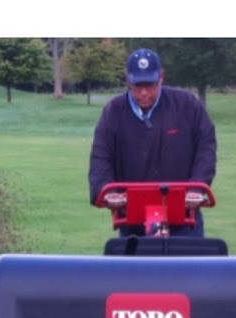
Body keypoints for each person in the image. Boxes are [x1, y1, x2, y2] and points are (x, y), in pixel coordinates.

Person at [87, 48, 217, 235]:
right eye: (137, 86)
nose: (144, 93)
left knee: (189, 264)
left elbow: (206, 145)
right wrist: (105, 189)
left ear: (161, 77)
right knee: (133, 264)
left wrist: (197, 186)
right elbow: (101, 155)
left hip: (184, 218)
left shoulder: (187, 105)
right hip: (132, 220)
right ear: (127, 79)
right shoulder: (114, 111)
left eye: (150, 85)